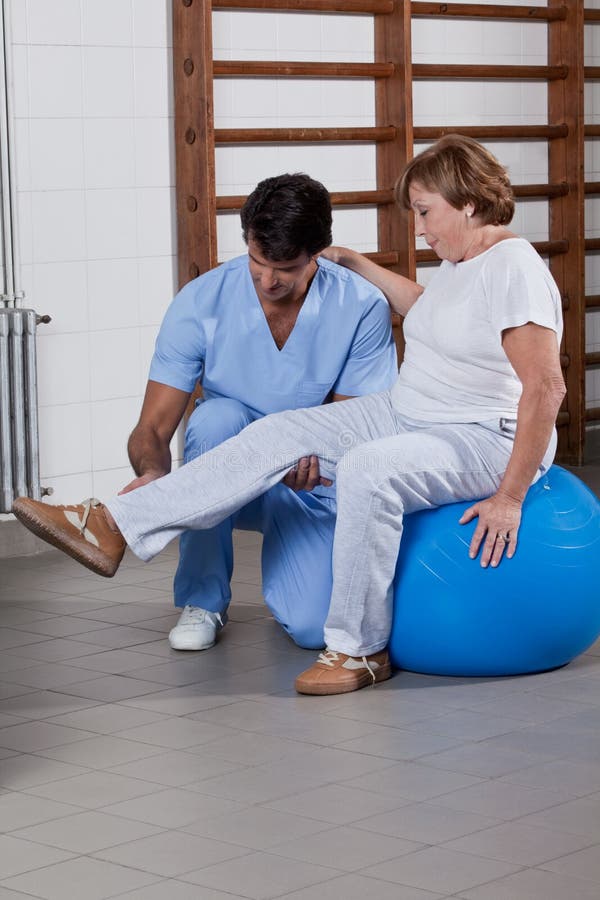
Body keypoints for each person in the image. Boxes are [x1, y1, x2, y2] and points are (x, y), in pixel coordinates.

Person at [13, 135, 566, 696]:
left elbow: (545, 386)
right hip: (413, 413)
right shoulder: (461, 264)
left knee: (369, 470)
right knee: (278, 430)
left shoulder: (511, 266)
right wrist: (355, 260)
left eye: (425, 212)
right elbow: (432, 311)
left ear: (467, 201)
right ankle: (109, 524)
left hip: (479, 437)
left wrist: (511, 496)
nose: (420, 228)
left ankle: (358, 650)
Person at [98, 173, 397, 653]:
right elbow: (152, 427)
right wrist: (154, 471)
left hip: (308, 478)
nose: (268, 280)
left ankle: (118, 523)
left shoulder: (361, 306)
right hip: (220, 473)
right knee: (215, 419)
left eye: (287, 268)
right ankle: (202, 598)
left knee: (311, 628)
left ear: (317, 252)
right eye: (258, 261)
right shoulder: (200, 300)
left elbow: (354, 430)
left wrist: (312, 458)